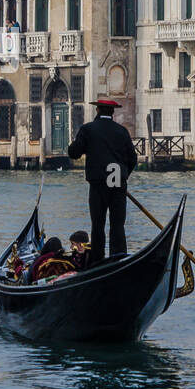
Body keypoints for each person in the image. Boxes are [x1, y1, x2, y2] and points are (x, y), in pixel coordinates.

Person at [68, 98, 137, 266]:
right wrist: (122, 176)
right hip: (117, 183)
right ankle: (118, 257)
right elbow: (133, 158)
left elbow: (74, 153)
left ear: (97, 111)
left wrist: (75, 145)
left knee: (98, 224)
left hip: (99, 183)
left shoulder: (88, 129)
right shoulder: (122, 131)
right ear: (112, 113)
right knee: (117, 224)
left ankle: (97, 260)